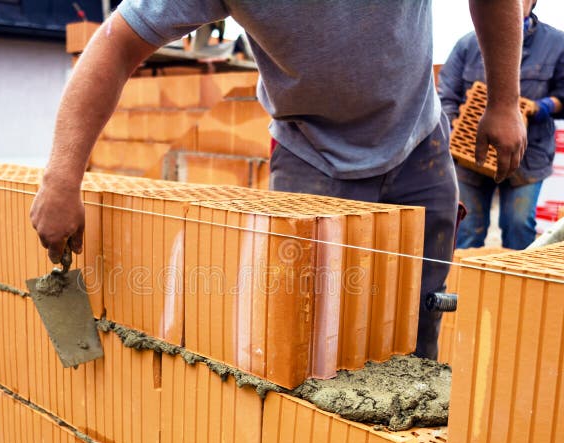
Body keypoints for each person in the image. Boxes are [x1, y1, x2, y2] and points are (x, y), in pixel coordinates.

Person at [30, 1, 528, 360]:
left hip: (419, 143)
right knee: (312, 341)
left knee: (420, 316)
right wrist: (61, 178)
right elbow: (115, 46)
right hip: (310, 155)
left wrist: (504, 100)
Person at [439, 0, 564, 250]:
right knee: (466, 229)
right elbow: (446, 94)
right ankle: (463, 285)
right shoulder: (467, 44)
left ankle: (516, 284)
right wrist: (459, 126)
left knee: (518, 226)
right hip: (471, 155)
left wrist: (543, 107)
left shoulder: (558, 44)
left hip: (528, 157)